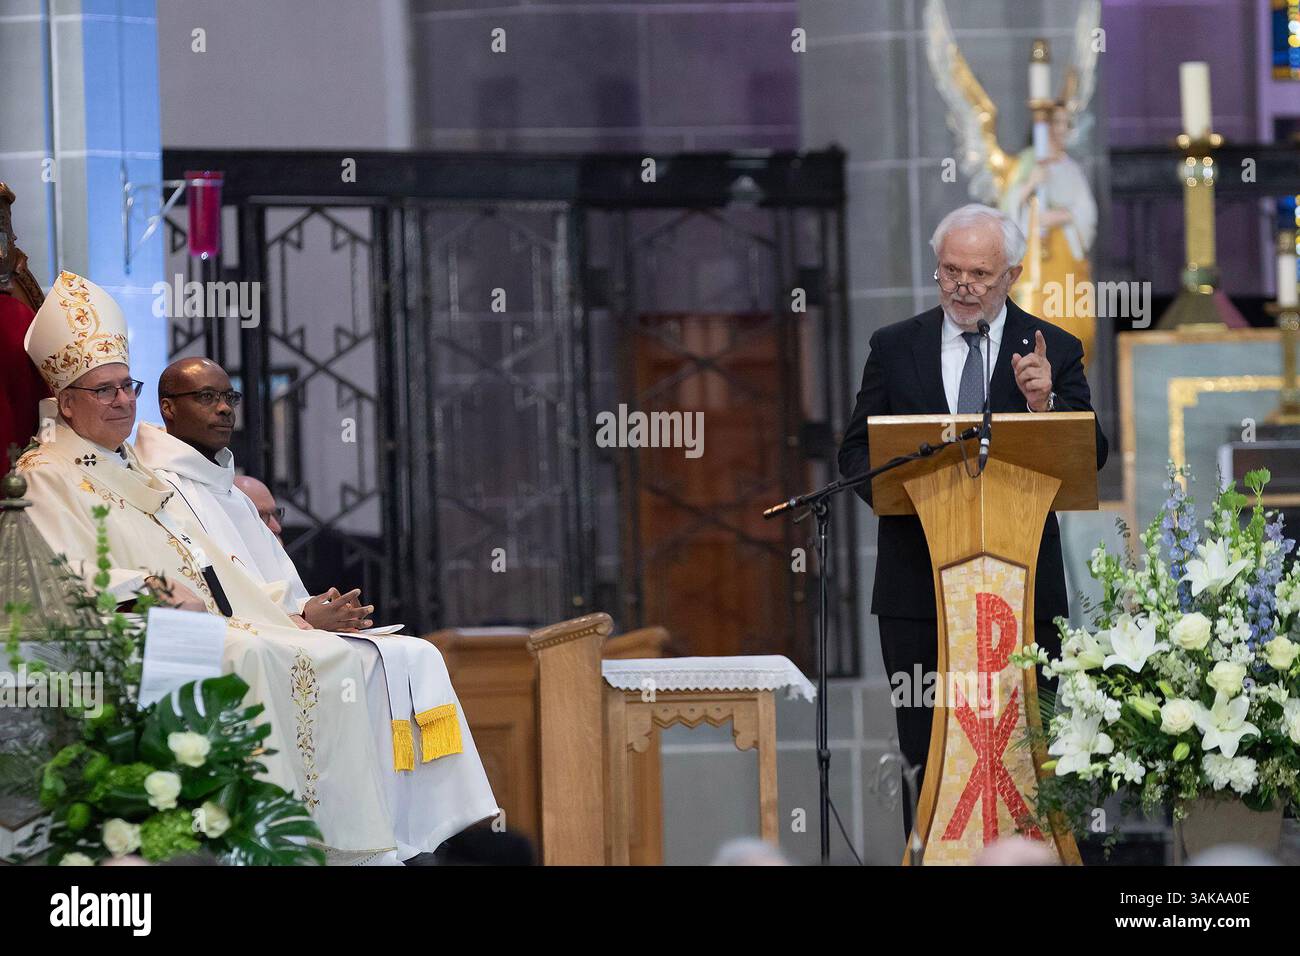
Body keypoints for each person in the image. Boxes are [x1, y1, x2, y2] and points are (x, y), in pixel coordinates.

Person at [18, 271, 498, 863]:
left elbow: (212, 562)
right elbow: (57, 577)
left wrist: (290, 613)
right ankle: (266, 837)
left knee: (336, 654)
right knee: (253, 653)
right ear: (65, 401)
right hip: (122, 632)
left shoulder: (134, 467)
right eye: (104, 391)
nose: (122, 401)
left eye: (127, 386)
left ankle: (350, 838)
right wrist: (147, 587)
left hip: (188, 622)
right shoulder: (45, 473)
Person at [837, 204, 1108, 835]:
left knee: (1030, 751)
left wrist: (1045, 405)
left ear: (1011, 274)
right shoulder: (894, 346)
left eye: (980, 274)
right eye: (949, 270)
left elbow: (1090, 458)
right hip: (918, 590)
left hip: (1024, 590)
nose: (963, 285)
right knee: (926, 753)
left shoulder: (1054, 350)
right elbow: (855, 452)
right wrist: (923, 502)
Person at [134, 358, 370, 632]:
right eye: (207, 397)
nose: (224, 409)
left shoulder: (235, 495)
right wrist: (298, 618)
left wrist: (318, 608)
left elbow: (280, 584)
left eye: (229, 397)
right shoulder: (157, 488)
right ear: (168, 407)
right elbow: (209, 592)